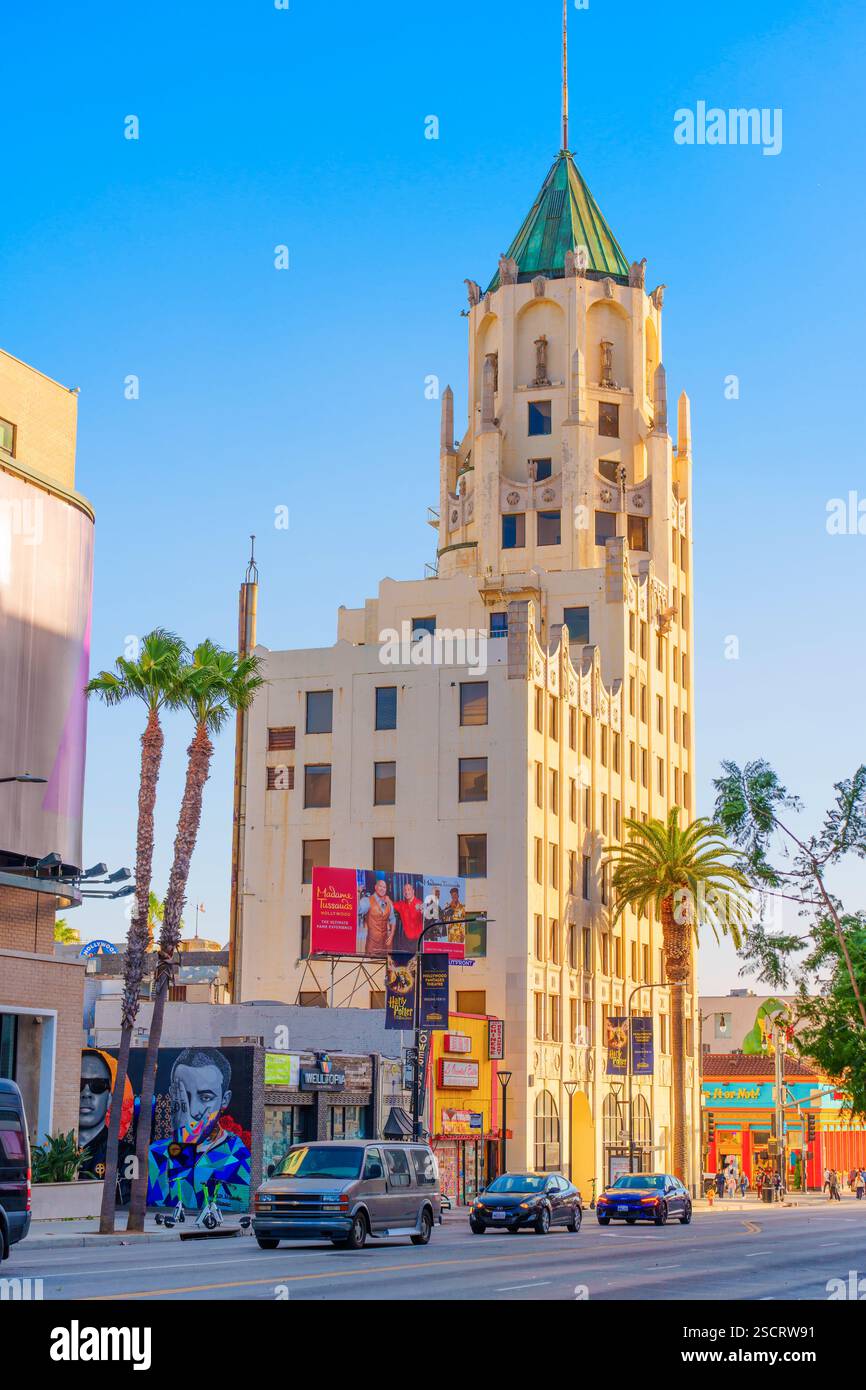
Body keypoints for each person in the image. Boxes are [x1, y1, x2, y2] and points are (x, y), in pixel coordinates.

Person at [147, 1047, 251, 1212]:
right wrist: (182, 1143)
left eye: (205, 1098)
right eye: (184, 1097)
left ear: (225, 1100)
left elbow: (187, 1205)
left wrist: (184, 1141)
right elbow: (160, 1209)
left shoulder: (238, 1157)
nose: (193, 1111)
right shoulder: (155, 1153)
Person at [78, 1048, 135, 1202]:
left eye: (98, 1085)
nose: (86, 1093)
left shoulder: (125, 1153)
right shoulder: (58, 1151)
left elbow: (127, 1197)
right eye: (80, 1083)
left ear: (110, 1098)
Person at [359, 877, 396, 955]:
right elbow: (358, 910)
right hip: (372, 944)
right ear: (375, 887)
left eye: (384, 887)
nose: (382, 889)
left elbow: (392, 919)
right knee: (371, 966)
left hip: (385, 944)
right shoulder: (367, 900)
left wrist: (392, 934)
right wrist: (357, 893)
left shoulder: (388, 902)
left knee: (385, 966)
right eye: (380, 886)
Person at [393, 881, 424, 953]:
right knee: (408, 962)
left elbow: (428, 916)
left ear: (413, 891)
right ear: (403, 893)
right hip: (407, 941)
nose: (407, 892)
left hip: (418, 941)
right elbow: (390, 904)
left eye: (409, 889)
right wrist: (385, 898)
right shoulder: (401, 904)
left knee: (418, 962)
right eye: (405, 890)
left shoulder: (420, 904)